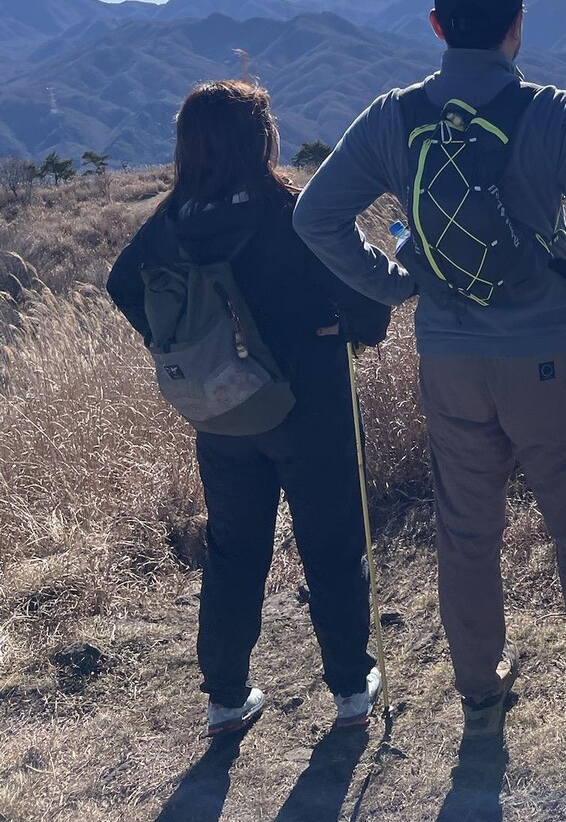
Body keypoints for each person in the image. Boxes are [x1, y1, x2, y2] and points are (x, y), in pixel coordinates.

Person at [293, 0, 566, 742]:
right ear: (517, 25)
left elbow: (315, 217)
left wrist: (394, 285)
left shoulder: (394, 118)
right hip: (551, 357)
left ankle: (480, 692)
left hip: (448, 359)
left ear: (435, 27)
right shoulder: (552, 113)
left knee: (466, 530)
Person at [107, 80, 391, 738]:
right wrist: (339, 325)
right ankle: (351, 686)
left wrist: (178, 343)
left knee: (234, 551)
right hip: (310, 402)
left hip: (221, 409)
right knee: (331, 543)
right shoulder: (292, 208)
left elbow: (123, 281)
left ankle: (226, 698)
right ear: (259, 138)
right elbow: (370, 311)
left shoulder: (172, 220)